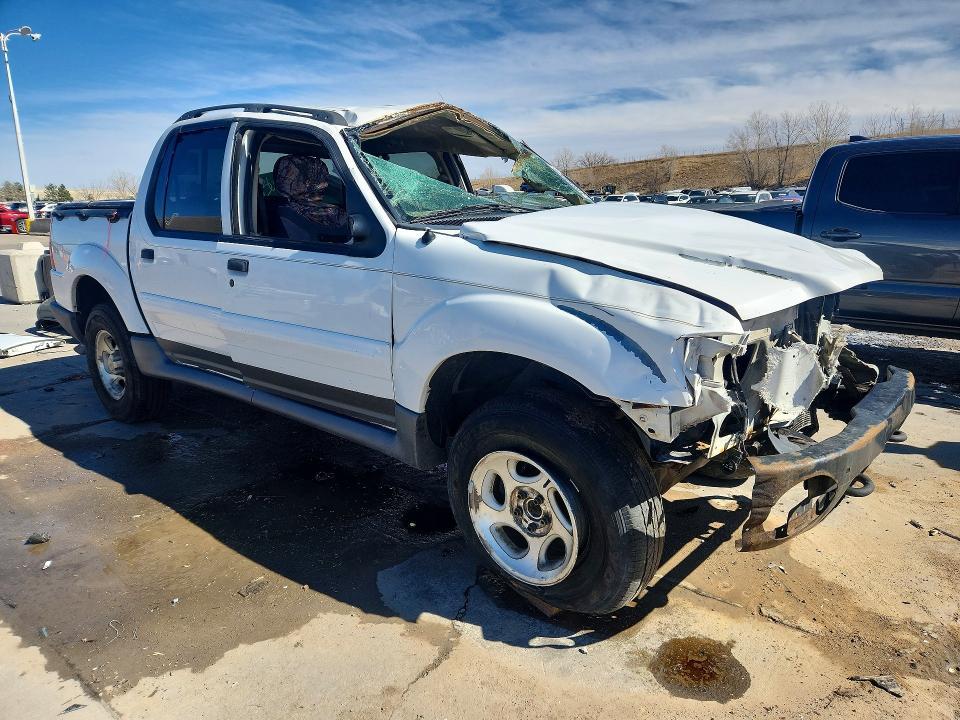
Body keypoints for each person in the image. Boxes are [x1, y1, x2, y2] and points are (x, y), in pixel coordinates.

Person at [272, 154, 350, 242]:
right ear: (310, 181)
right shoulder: (332, 215)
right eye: (322, 175)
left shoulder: (274, 206)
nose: (326, 182)